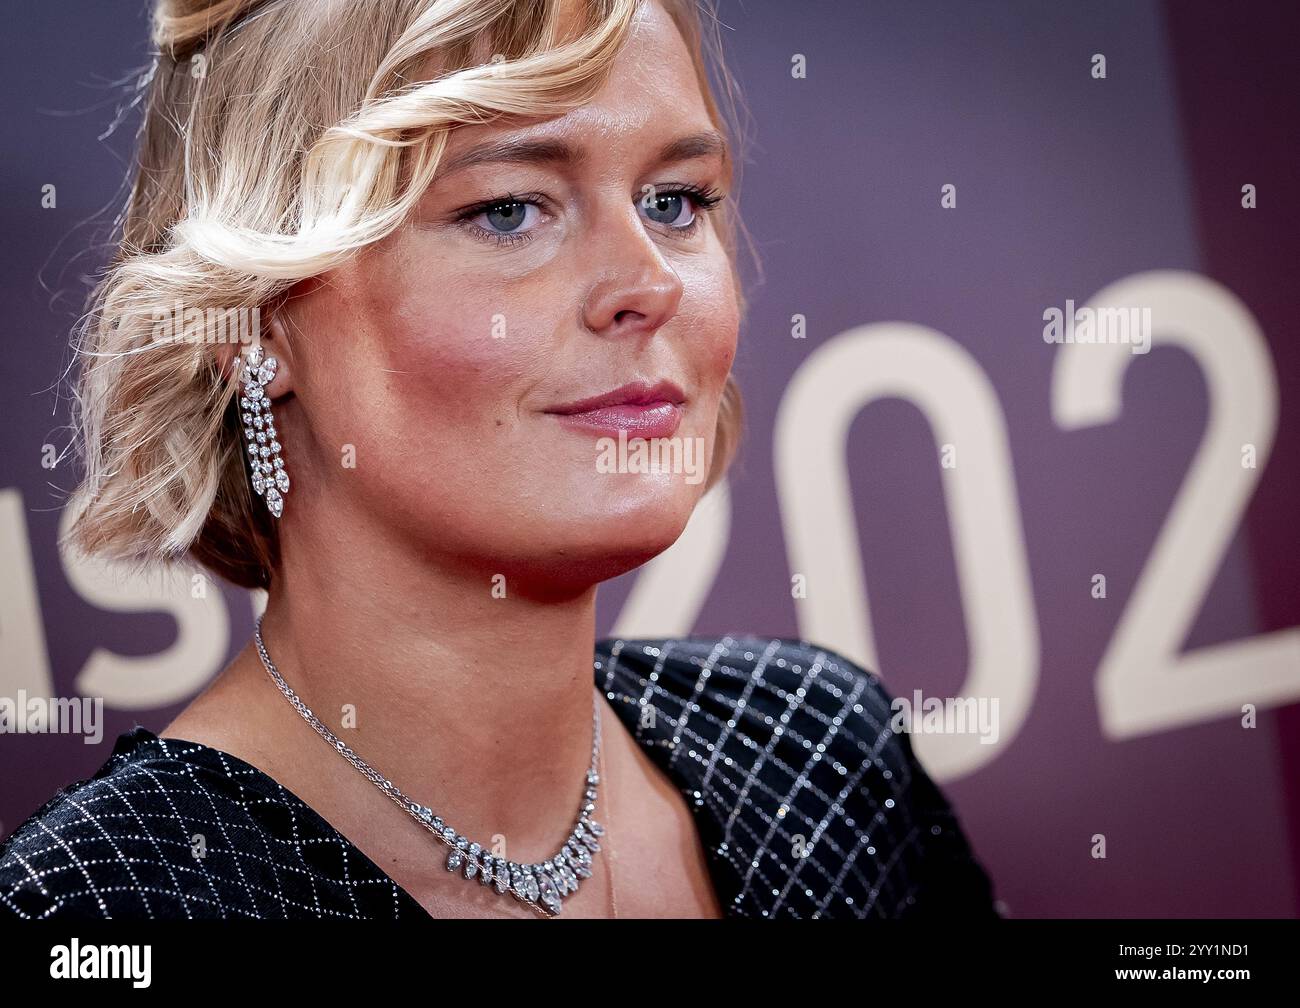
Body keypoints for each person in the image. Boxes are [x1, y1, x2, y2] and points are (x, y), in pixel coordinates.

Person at [0, 0, 997, 919]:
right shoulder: (98, 909)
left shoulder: (819, 755)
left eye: (675, 201)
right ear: (256, 320)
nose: (646, 284)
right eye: (509, 209)